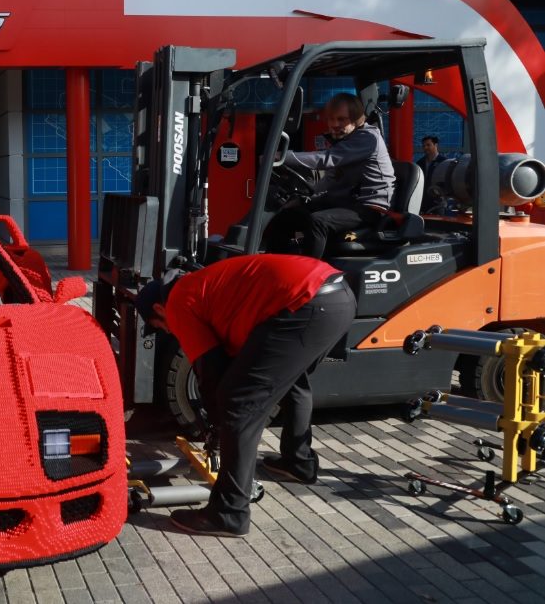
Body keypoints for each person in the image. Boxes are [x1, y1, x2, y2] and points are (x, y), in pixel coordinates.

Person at [134, 254, 356, 537]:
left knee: (238, 403)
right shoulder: (201, 285)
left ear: (158, 308)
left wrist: (217, 426)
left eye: (159, 325)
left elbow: (211, 371)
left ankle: (229, 513)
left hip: (306, 302)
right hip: (338, 295)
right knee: (292, 382)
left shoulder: (178, 301)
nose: (167, 330)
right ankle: (298, 463)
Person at [264, 93, 395, 258]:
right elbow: (330, 179)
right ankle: (275, 263)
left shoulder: (368, 138)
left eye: (341, 119)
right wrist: (306, 198)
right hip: (346, 203)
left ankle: (310, 271)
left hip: (369, 208)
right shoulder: (347, 141)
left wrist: (281, 156)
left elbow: (325, 159)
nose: (334, 124)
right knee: (287, 216)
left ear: (357, 119)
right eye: (331, 119)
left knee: (318, 221)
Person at [416, 135, 447, 212]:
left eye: (428, 145)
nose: (425, 148)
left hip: (438, 201)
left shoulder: (444, 162)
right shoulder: (420, 163)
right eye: (423, 146)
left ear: (435, 145)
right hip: (422, 200)